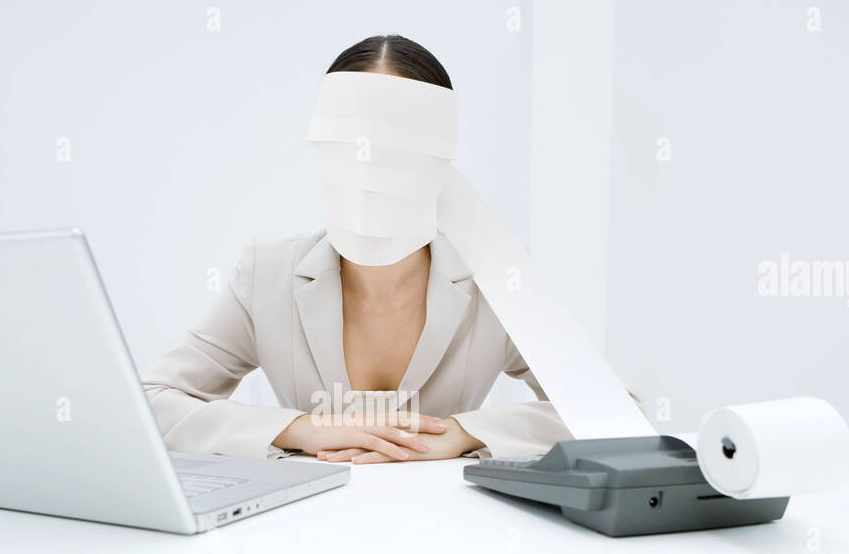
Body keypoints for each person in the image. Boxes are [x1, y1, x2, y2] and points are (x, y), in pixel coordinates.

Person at [141, 34, 579, 464]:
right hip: (304, 521)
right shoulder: (267, 273)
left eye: (395, 154)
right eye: (349, 151)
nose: (370, 177)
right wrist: (299, 429)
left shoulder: (496, 276)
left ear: (439, 162)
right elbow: (152, 402)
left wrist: (462, 435)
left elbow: (616, 411)